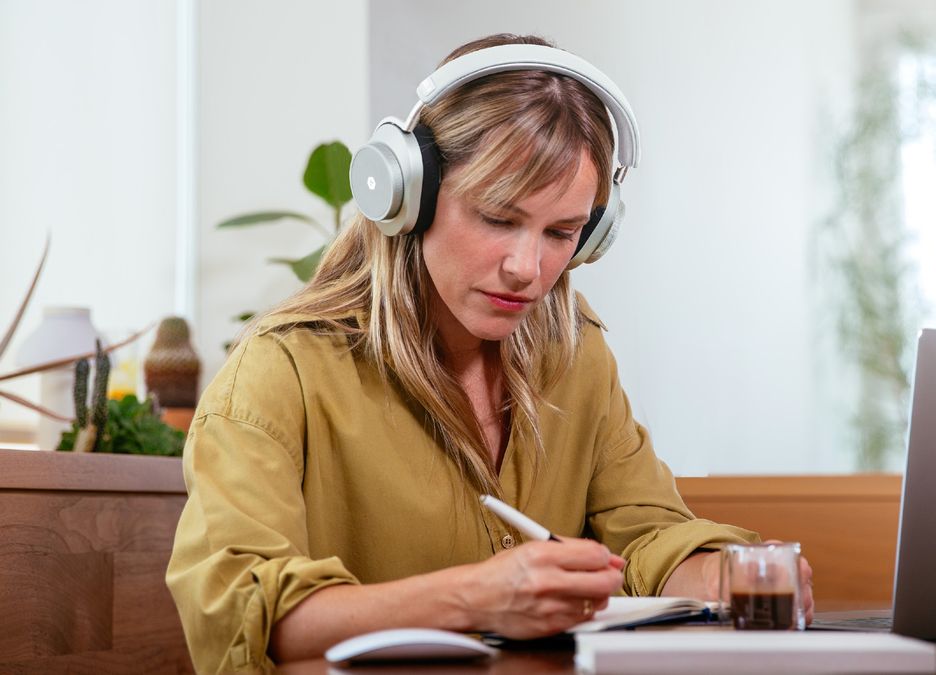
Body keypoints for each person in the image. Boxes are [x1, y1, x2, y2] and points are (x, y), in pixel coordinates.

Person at [166, 33, 813, 671]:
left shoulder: (576, 353)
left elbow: (647, 534)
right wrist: (477, 597)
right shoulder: (280, 372)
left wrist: (721, 574)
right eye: (499, 218)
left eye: (561, 232)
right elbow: (247, 617)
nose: (527, 268)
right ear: (407, 194)